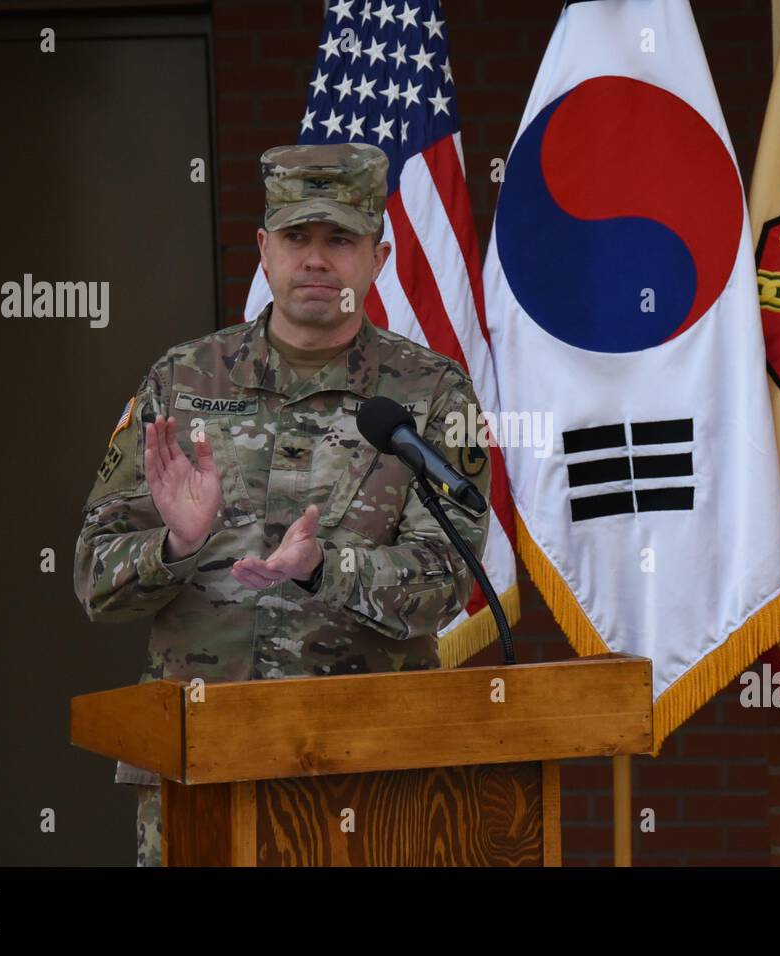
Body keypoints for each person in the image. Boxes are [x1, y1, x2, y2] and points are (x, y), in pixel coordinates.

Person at [72, 142, 491, 866]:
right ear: (265, 251)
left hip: (371, 775)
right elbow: (93, 581)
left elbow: (448, 580)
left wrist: (325, 567)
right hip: (200, 773)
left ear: (378, 258)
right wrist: (173, 547)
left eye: (340, 240)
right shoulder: (180, 379)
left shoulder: (429, 394)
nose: (317, 261)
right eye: (297, 237)